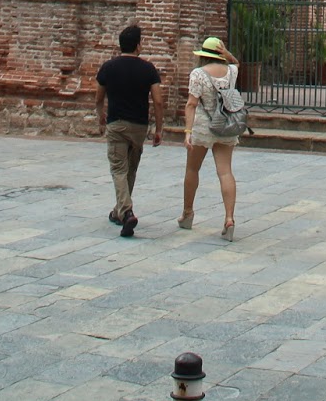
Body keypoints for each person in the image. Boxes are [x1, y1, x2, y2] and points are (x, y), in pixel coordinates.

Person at [96, 24, 165, 238]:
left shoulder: (108, 67)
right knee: (131, 169)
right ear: (138, 45)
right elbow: (159, 101)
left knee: (118, 169)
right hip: (139, 126)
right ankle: (121, 211)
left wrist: (100, 116)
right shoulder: (148, 69)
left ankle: (126, 212)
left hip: (116, 124)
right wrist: (159, 128)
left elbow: (99, 97)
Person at [179, 36, 240, 241]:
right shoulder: (231, 71)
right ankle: (229, 218)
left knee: (192, 169)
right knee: (225, 172)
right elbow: (236, 63)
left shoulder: (198, 74)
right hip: (226, 125)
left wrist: (187, 132)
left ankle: (188, 214)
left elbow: (191, 104)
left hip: (204, 127)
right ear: (220, 54)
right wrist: (228, 55)